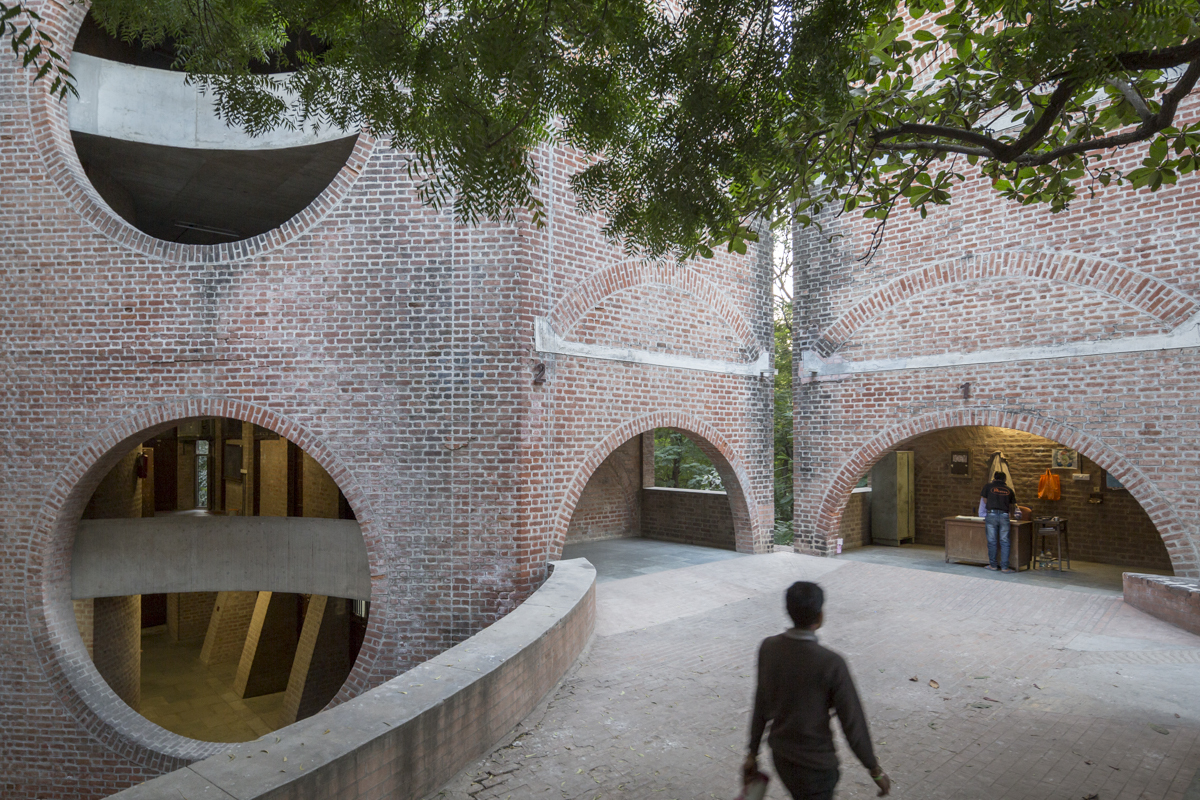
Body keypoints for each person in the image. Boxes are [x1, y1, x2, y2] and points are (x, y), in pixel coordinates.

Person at [744, 582, 890, 799]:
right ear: (820, 615)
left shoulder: (769, 648)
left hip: (782, 758)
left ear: (788, 611)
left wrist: (752, 752)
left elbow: (761, 703)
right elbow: (853, 723)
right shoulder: (831, 664)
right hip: (817, 767)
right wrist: (874, 770)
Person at [980, 470, 1018, 573]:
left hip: (991, 515)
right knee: (1005, 541)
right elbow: (1012, 506)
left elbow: (984, 501)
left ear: (994, 478)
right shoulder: (1009, 490)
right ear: (1005, 479)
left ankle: (993, 565)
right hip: (1004, 515)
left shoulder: (987, 487)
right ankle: (1005, 567)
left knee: (992, 541)